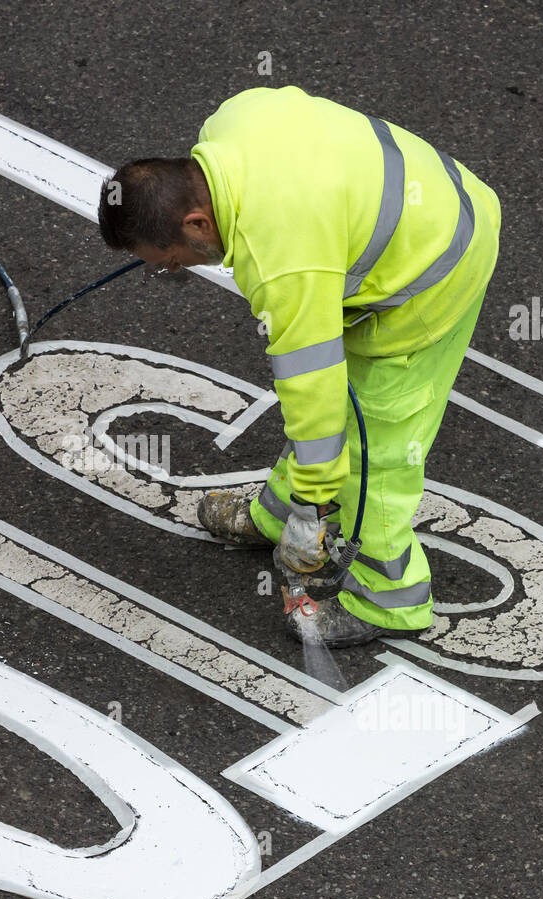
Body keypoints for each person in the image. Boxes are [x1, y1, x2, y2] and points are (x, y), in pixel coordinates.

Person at [96, 85, 501, 648]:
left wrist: (314, 508)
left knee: (373, 443)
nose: (175, 270)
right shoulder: (228, 125)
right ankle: (276, 513)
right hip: (434, 196)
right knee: (330, 426)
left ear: (196, 223)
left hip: (434, 264)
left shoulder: (284, 262)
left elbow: (313, 390)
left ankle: (390, 603)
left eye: (169, 264)